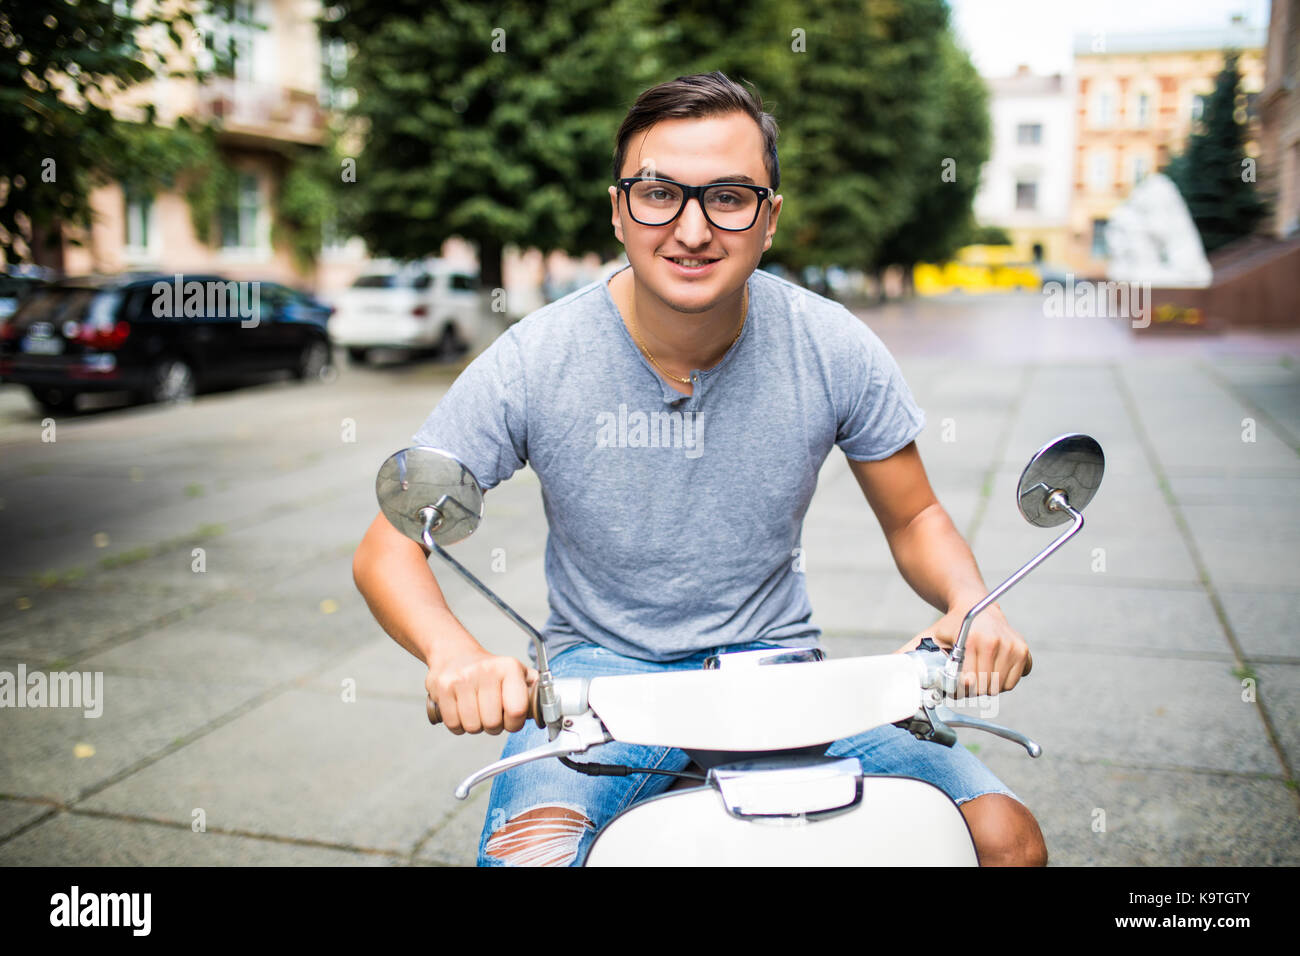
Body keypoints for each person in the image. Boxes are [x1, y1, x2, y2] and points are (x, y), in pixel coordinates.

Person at [352, 71, 1048, 867]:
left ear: (769, 218)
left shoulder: (833, 344)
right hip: (600, 684)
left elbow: (917, 516)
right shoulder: (534, 360)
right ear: (618, 210)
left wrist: (970, 601)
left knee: (1006, 839)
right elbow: (389, 546)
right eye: (658, 193)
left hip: (779, 671)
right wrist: (456, 654)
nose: (690, 229)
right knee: (529, 860)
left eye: (727, 196)